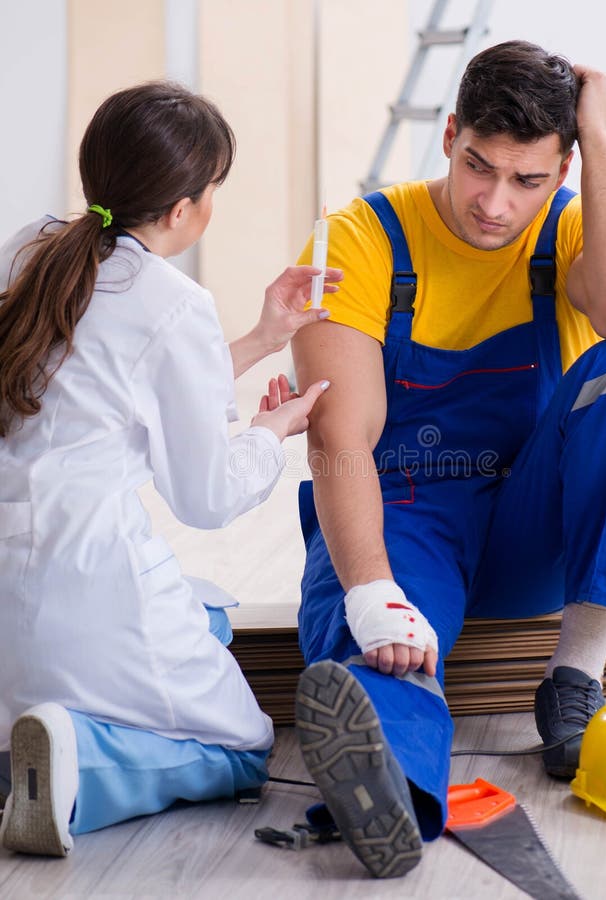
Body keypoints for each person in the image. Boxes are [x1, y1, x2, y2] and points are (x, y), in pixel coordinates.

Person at [290, 40, 606, 878]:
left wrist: (599, 137)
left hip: (527, 529)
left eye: (527, 179)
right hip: (405, 514)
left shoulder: (570, 224)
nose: (494, 204)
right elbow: (339, 438)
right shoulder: (358, 237)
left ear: (560, 167)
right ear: (447, 134)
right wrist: (371, 592)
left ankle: (572, 682)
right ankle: (390, 788)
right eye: (479, 167)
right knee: (389, 650)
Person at [0, 81, 341, 857]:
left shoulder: (32, 249)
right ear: (186, 207)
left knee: (204, 613)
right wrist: (270, 430)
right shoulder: (174, 301)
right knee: (243, 750)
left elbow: (112, 391)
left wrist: (262, 336)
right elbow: (208, 496)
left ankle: (28, 749)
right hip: (85, 582)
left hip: (11, 596)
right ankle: (83, 759)